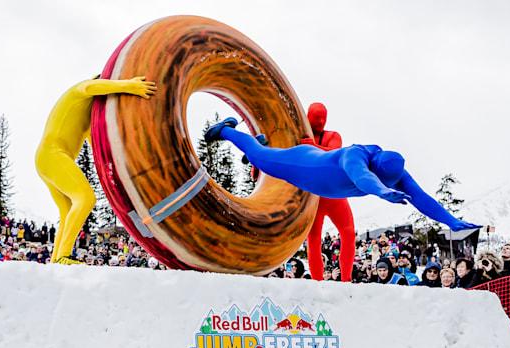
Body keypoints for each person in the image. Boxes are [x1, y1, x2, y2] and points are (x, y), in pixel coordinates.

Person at [206, 118, 481, 232]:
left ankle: (258, 146)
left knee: (262, 156)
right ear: (376, 167)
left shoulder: (397, 173)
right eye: (384, 181)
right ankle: (226, 129)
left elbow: (421, 198)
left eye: (390, 182)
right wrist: (382, 191)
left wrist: (451, 221)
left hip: (315, 172)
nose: (390, 184)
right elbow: (362, 178)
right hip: (303, 165)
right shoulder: (355, 156)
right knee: (258, 157)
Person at [36, 75, 157, 263]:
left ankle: (56, 260)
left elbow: (97, 148)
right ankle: (63, 256)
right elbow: (89, 88)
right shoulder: (81, 90)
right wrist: (129, 86)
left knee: (67, 211)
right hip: (53, 155)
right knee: (85, 198)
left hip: (47, 158)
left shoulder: (85, 116)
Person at [300, 103, 358, 283]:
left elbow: (335, 155)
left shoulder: (332, 136)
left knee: (348, 233)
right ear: (308, 117)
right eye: (317, 117)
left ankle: (346, 279)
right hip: (315, 198)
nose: (321, 121)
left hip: (333, 196)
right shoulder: (299, 137)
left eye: (323, 117)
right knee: (313, 238)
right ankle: (317, 282)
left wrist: (312, 148)